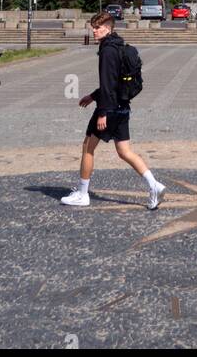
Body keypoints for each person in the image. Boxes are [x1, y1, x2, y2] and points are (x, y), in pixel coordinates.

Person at [61, 11, 166, 209]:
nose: (94, 31)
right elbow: (115, 82)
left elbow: (108, 84)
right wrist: (93, 96)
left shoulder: (108, 51)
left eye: (98, 27)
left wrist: (102, 112)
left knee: (87, 147)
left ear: (108, 28)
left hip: (109, 110)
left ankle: (83, 194)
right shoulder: (119, 46)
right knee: (125, 151)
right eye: (92, 27)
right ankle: (154, 185)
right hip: (122, 106)